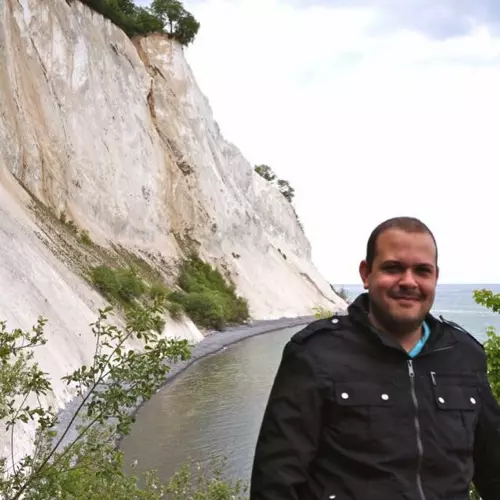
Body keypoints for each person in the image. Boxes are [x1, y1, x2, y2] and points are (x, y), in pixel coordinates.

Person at [249, 216, 500, 500]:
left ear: (435, 278)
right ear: (366, 274)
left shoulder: (464, 354)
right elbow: (276, 483)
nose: (409, 281)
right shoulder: (315, 353)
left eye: (422, 271)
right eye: (393, 268)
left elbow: (494, 469)